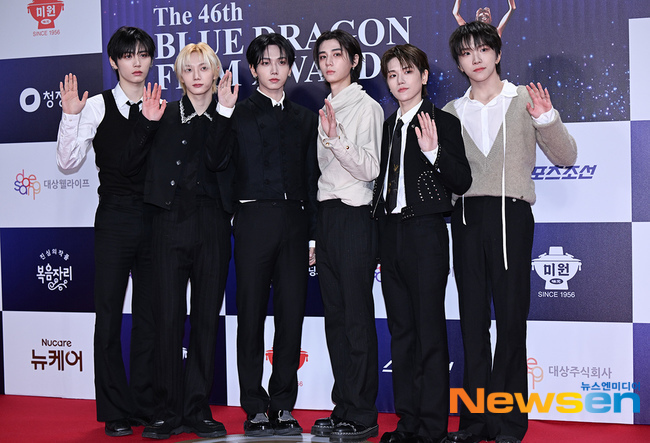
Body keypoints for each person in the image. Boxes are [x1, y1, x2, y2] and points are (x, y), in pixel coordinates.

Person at [442, 21, 577, 443]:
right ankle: (475, 422)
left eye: (483, 49)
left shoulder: (524, 101)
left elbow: (567, 157)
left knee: (512, 321)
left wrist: (547, 119)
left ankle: (508, 423)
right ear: (459, 63)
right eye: (467, 52)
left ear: (498, 54)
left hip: (511, 217)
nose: (476, 58)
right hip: (466, 218)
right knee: (472, 324)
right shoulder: (450, 112)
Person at [121, 42, 238, 439]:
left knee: (206, 320)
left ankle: (197, 409)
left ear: (215, 73)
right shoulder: (161, 112)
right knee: (167, 320)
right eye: (188, 69)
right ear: (179, 76)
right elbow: (129, 166)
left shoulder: (230, 114)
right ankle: (166, 411)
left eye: (203, 68)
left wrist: (223, 114)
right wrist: (146, 125)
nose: (196, 76)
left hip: (213, 226)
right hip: (167, 226)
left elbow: (219, 161)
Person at [56, 26, 156, 437]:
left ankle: (146, 403)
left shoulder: (160, 104)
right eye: (128, 55)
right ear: (114, 62)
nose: (137, 62)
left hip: (155, 219)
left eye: (143, 54)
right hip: (114, 218)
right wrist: (70, 115)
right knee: (109, 314)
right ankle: (115, 409)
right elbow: (67, 163)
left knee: (151, 316)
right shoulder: (95, 106)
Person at [370, 44, 471, 443]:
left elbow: (461, 181)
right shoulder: (387, 126)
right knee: (401, 335)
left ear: (424, 76)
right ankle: (408, 423)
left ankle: (431, 427)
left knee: (429, 332)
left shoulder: (442, 122)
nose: (400, 80)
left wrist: (434, 153)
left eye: (407, 72)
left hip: (426, 234)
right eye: (392, 74)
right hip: (390, 235)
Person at [231, 33, 319, 437]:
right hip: (252, 220)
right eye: (265, 62)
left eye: (282, 62)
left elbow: (312, 178)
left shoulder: (305, 118)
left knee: (291, 314)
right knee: (250, 315)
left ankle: (282, 404)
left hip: (295, 223)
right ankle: (254, 406)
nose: (274, 69)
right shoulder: (236, 113)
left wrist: (313, 236)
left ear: (290, 68)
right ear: (253, 69)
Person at [309, 29, 383, 443]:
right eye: (322, 56)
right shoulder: (326, 108)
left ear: (353, 60)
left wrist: (336, 139)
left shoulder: (367, 107)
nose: (329, 62)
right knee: (336, 319)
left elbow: (370, 168)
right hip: (328, 217)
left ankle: (363, 413)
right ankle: (343, 407)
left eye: (337, 54)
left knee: (355, 318)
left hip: (356, 216)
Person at [452, 0, 517, 37]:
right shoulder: (470, 32)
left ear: (490, 19)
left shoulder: (496, 32)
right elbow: (455, 13)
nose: (483, 17)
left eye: (486, 16)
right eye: (481, 16)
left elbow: (512, 8)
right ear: (476, 19)